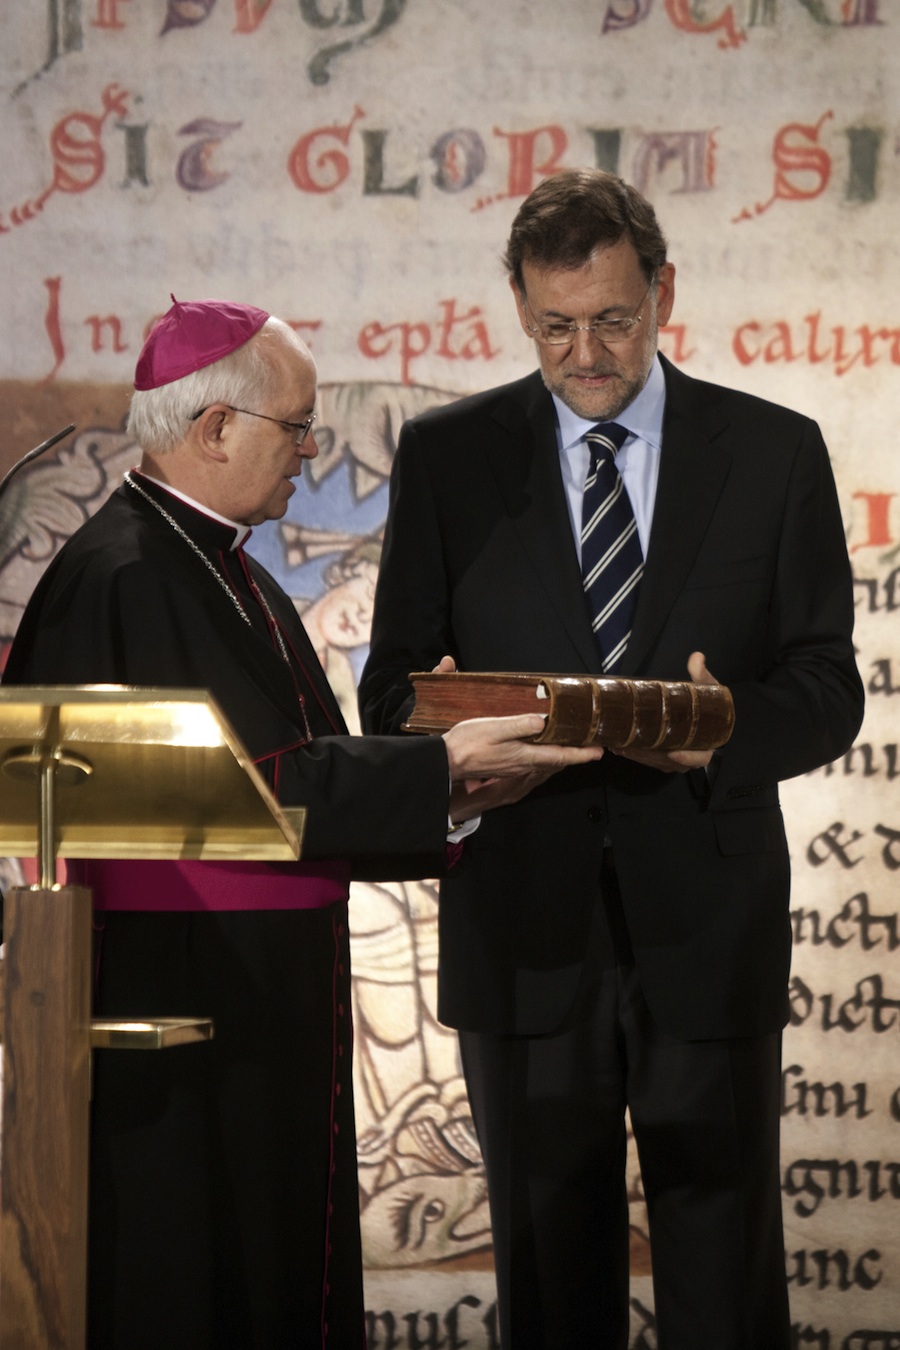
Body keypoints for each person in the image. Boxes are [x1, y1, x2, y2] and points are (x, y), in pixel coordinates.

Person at [1, 296, 603, 1350]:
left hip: (258, 997)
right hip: (182, 1012)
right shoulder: (125, 574)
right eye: (296, 426)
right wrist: (434, 771)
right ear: (214, 426)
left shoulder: (234, 573)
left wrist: (451, 795)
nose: (309, 450)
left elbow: (298, 781)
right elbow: (243, 790)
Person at [358, 170, 865, 1350]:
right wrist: (472, 757)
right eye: (555, 326)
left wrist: (717, 727)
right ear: (522, 310)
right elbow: (393, 691)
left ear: (664, 294)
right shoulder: (450, 456)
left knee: (724, 1257)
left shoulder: (776, 454)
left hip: (708, 918)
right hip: (522, 921)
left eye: (614, 320)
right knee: (546, 1258)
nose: (586, 351)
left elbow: (828, 688)